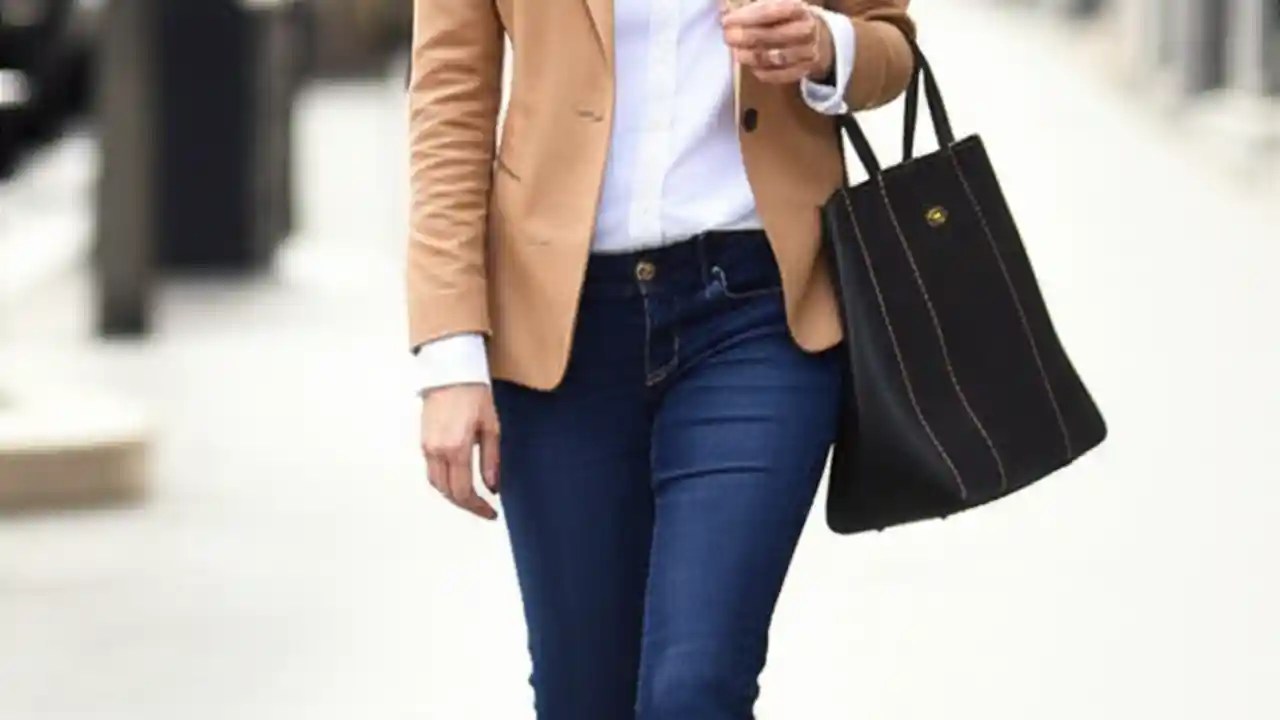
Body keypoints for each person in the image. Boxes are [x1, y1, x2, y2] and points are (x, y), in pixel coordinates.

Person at [407, 0, 915, 716]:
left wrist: (826, 46)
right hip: (562, 328)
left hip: (755, 310)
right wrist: (451, 352)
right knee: (583, 696)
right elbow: (449, 98)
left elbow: (889, 44)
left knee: (697, 688)